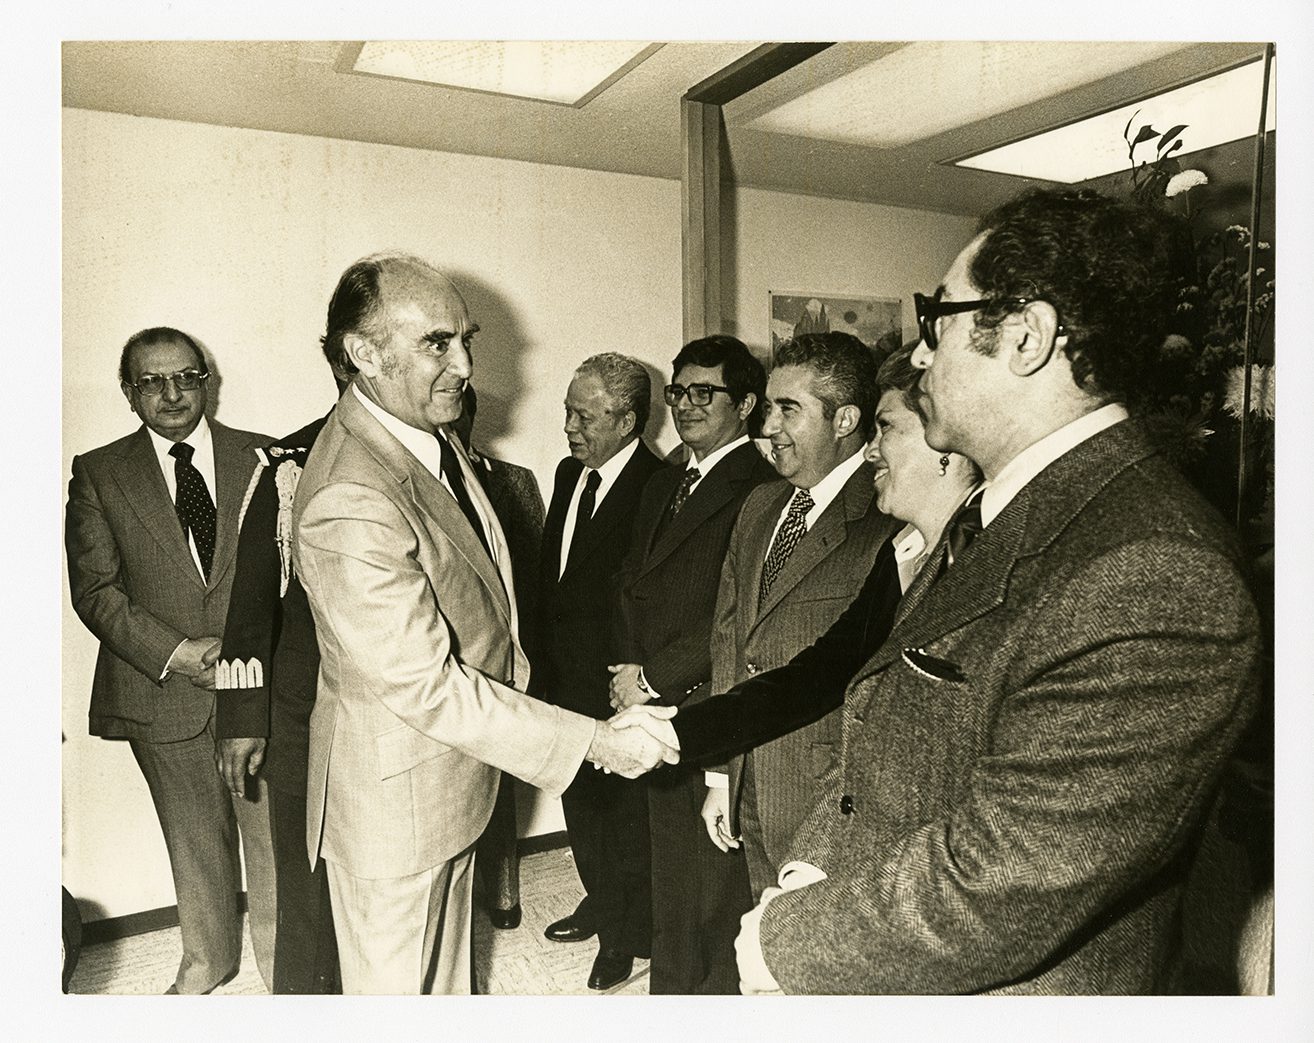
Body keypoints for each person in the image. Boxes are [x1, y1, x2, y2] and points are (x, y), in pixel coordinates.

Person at [731, 187, 1260, 994]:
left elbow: (1004, 880)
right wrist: (814, 869)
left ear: (1026, 336)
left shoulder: (1159, 571)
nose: (917, 355)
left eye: (937, 317)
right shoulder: (1002, 509)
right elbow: (893, 734)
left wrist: (788, 940)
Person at [290, 252, 675, 995]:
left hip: (451, 783)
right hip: (395, 810)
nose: (465, 364)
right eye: (438, 342)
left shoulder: (424, 438)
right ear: (364, 354)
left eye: (465, 339)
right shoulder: (350, 493)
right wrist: (595, 741)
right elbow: (428, 685)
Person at [65, 326, 276, 994]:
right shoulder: (99, 472)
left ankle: (288, 967)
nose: (172, 392)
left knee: (274, 839)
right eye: (152, 380)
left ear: (207, 379)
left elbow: (291, 574)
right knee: (194, 840)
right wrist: (178, 653)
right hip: (163, 689)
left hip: (258, 684)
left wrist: (254, 651)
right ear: (130, 393)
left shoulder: (268, 457)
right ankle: (206, 960)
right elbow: (95, 590)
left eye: (186, 375)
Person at [698, 332, 893, 900]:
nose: (766, 426)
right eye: (768, 406)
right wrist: (720, 774)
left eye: (789, 409)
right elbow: (731, 641)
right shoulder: (761, 506)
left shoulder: (888, 515)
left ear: (845, 419)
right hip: (749, 781)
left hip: (829, 799)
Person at [610, 334, 777, 994]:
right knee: (670, 880)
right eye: (678, 391)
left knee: (711, 894)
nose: (684, 404)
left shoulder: (759, 488)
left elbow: (731, 613)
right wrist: (625, 669)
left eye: (702, 392)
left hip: (705, 703)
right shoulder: (665, 483)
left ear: (745, 403)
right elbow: (629, 580)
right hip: (646, 700)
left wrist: (652, 678)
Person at [212, 341, 354, 993]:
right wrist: (244, 716)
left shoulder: (447, 458)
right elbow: (250, 605)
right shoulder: (291, 461)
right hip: (306, 712)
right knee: (304, 892)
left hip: (409, 715)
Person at [536, 353, 665, 990]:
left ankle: (627, 934)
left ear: (627, 421)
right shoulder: (568, 475)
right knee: (579, 805)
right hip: (561, 679)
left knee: (622, 815)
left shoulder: (658, 485)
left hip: (612, 682)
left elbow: (648, 593)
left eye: (582, 415)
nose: (568, 427)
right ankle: (601, 899)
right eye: (568, 411)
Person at [453, 384, 546, 932]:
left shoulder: (513, 483)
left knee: (499, 785)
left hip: (503, 663)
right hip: (440, 662)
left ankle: (505, 893)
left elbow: (536, 577)